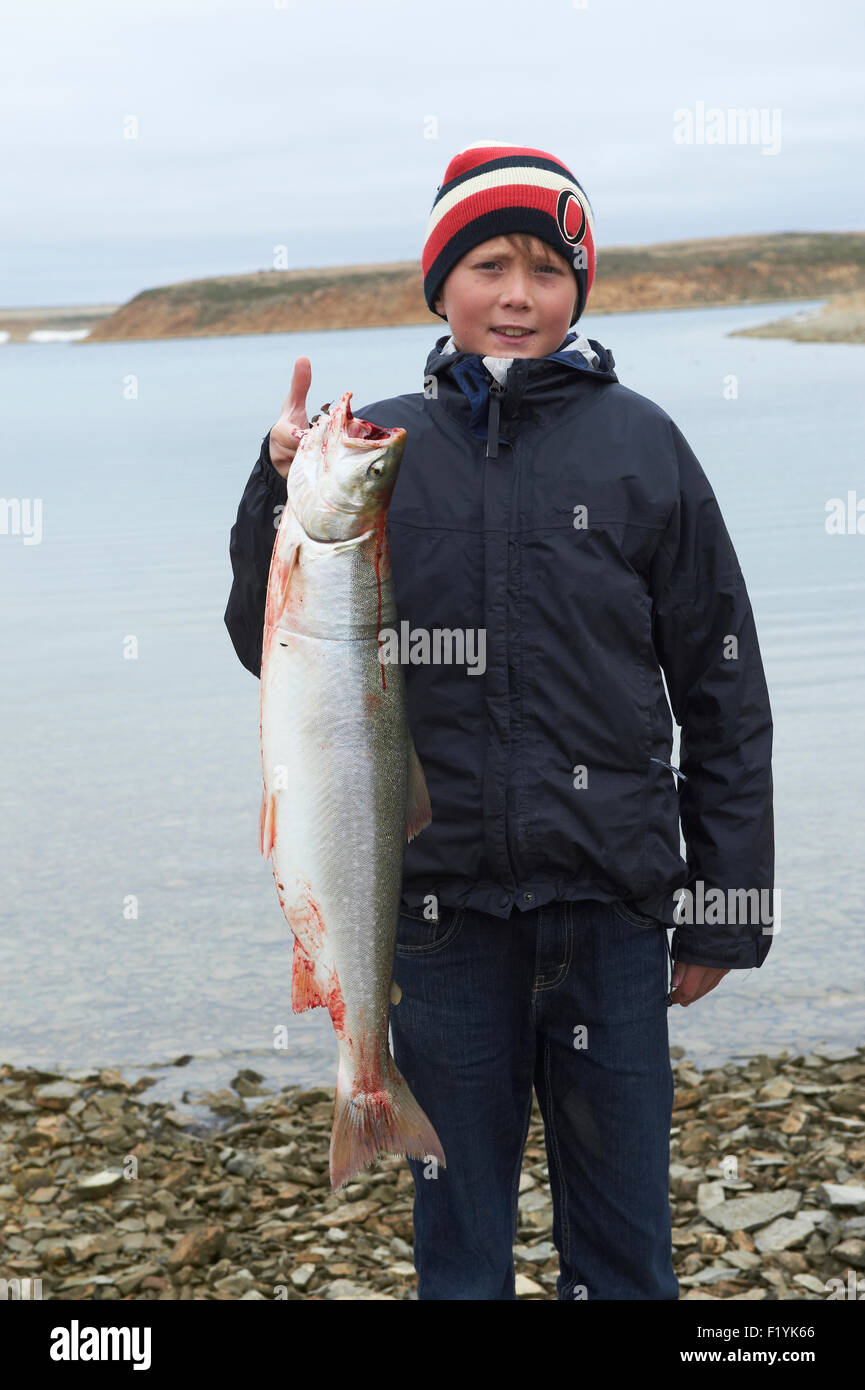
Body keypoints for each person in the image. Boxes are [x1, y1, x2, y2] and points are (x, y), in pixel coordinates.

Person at [224, 141, 775, 1300]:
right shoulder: (373, 449)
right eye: (486, 264)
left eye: (545, 267)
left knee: (625, 1246)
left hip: (613, 914)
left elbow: (721, 686)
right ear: (441, 284)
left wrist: (725, 909)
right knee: (459, 1246)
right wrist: (275, 490)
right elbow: (263, 645)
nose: (517, 294)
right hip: (435, 919)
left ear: (579, 289)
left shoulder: (644, 445)